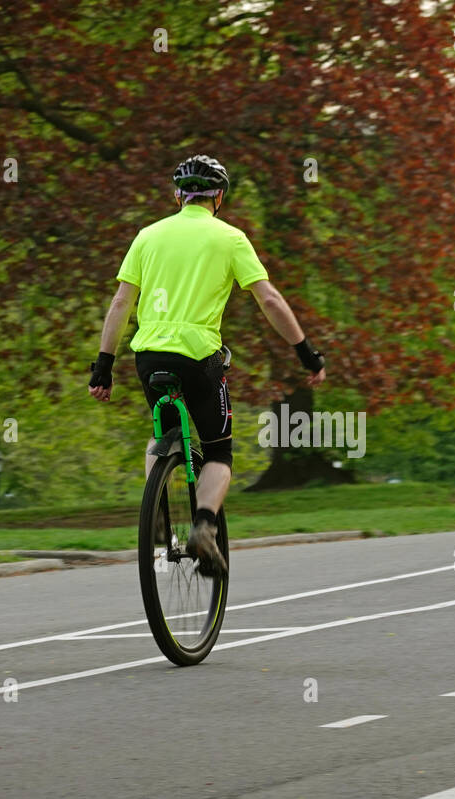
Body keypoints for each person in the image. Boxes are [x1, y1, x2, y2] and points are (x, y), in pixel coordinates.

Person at [89, 155, 326, 571]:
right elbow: (268, 299)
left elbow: (121, 302)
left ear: (178, 195)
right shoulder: (231, 238)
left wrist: (103, 367)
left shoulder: (147, 236)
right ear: (218, 196)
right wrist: (306, 352)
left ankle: (157, 517)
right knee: (218, 452)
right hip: (199, 359)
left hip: (148, 356)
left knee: (163, 433)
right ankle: (202, 526)